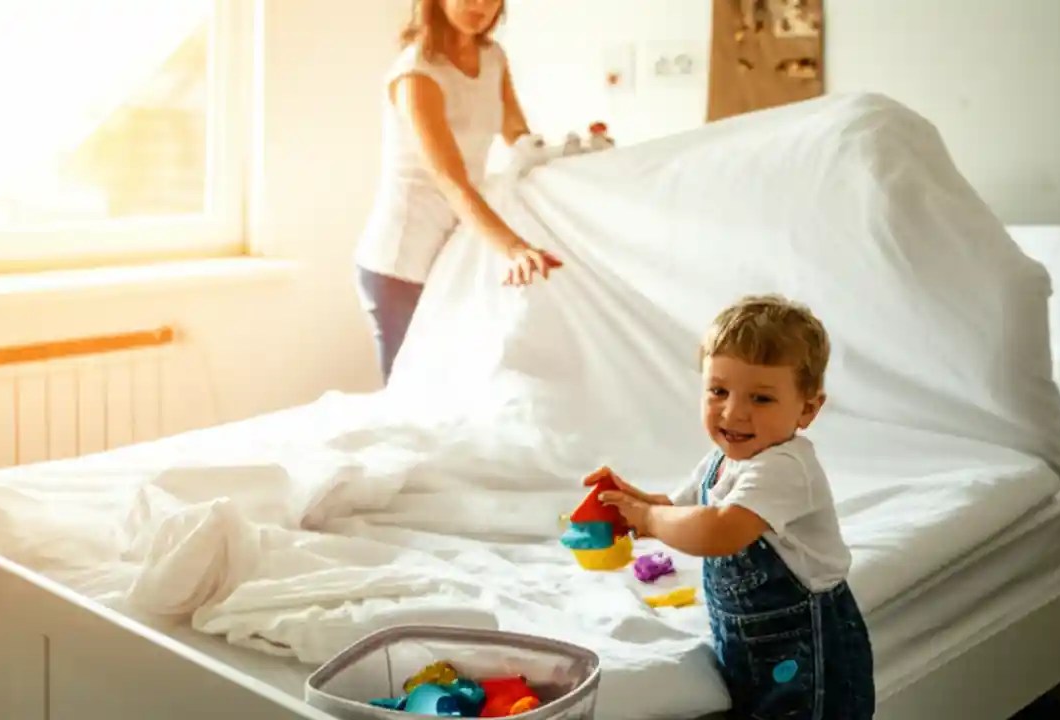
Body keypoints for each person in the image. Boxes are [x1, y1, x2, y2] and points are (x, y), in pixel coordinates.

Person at [591, 294, 875, 719]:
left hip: (809, 652)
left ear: (808, 409)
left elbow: (718, 531)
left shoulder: (785, 467)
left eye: (760, 399)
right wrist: (635, 504)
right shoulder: (725, 461)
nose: (734, 412)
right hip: (750, 647)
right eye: (718, 391)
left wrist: (650, 518)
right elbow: (680, 509)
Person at [355, 0, 563, 385]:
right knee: (410, 390)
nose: (481, 6)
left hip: (454, 247)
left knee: (456, 385)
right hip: (401, 261)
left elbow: (518, 135)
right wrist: (514, 248)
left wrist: (566, 160)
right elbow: (450, 178)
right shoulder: (416, 73)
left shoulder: (493, 57)